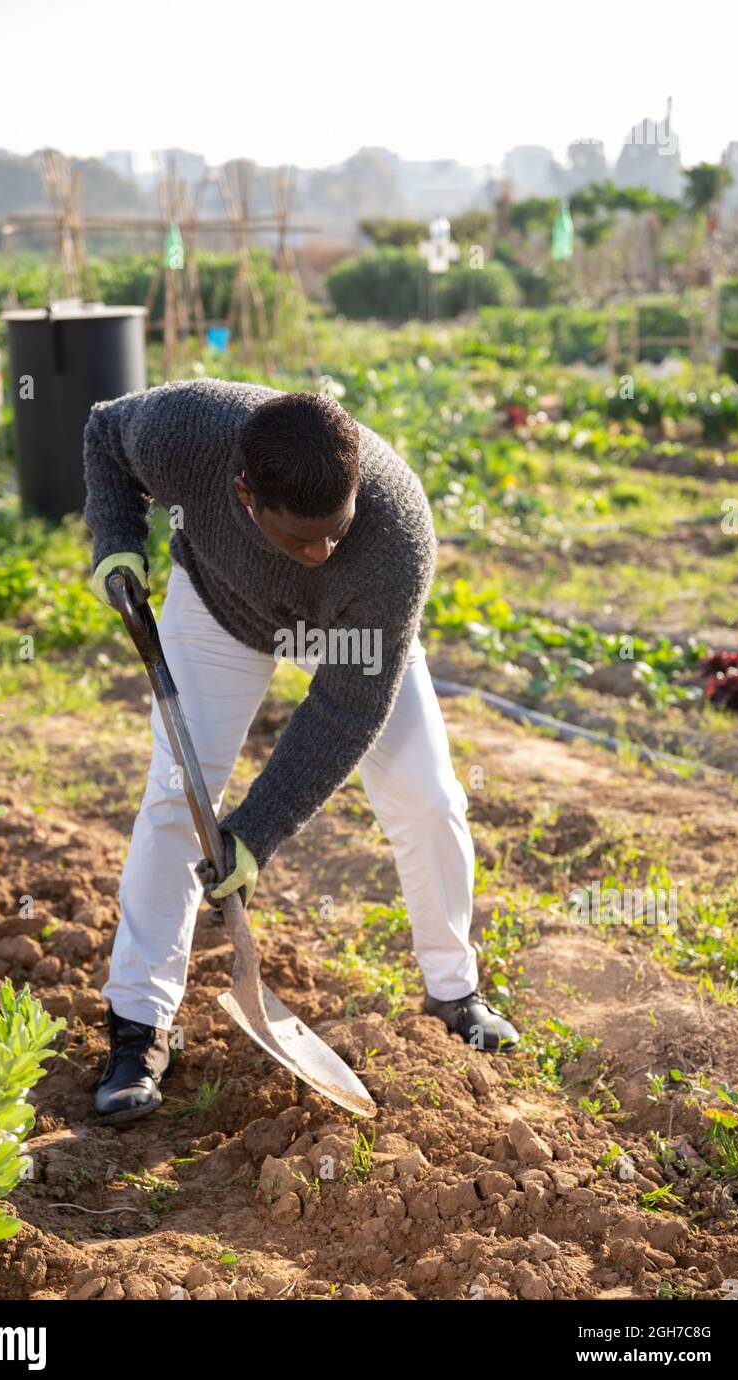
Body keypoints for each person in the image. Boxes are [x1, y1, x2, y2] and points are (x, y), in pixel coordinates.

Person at [84, 377, 518, 1123]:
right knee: (177, 795)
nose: (320, 550)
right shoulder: (184, 428)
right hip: (223, 606)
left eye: (335, 532)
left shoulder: (396, 535)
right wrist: (118, 541)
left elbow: (348, 709)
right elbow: (103, 430)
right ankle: (139, 1025)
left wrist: (257, 831)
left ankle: (455, 991)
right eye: (299, 536)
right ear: (245, 493)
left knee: (429, 796)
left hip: (348, 634)